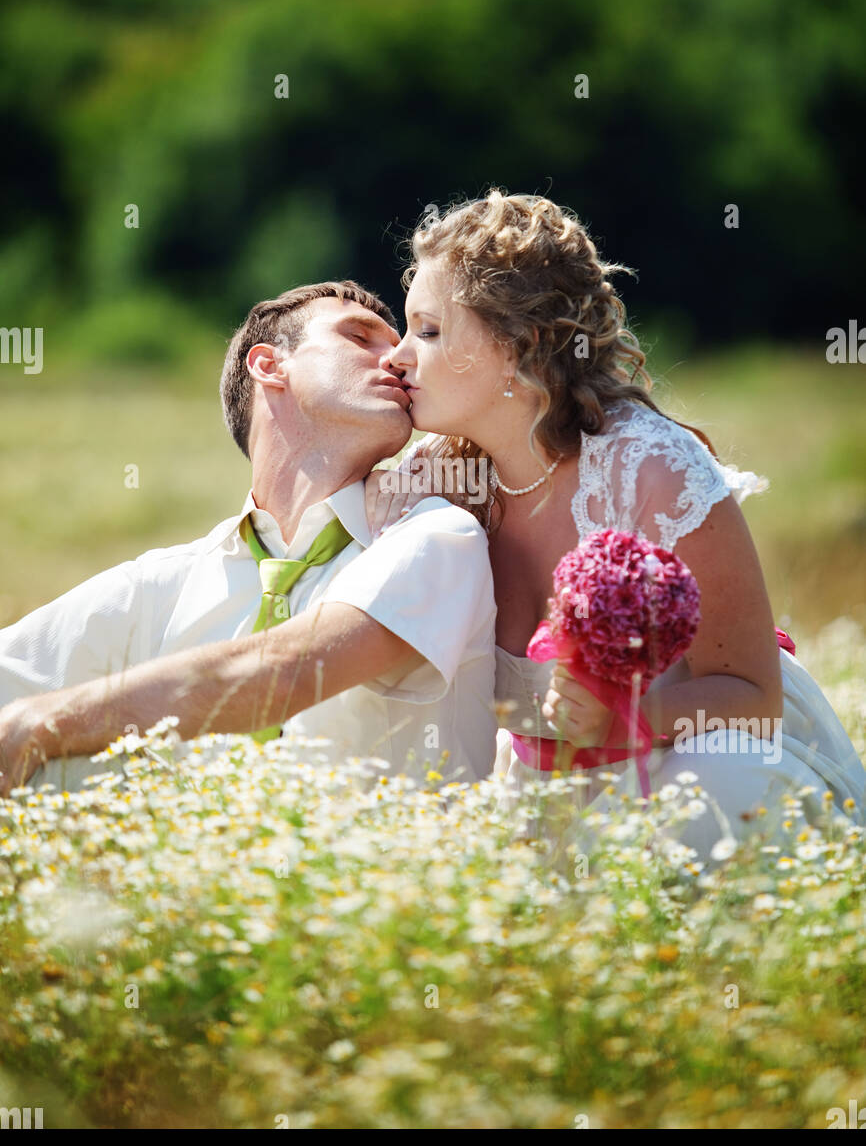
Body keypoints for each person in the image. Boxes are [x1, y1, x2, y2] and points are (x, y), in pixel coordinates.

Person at [368, 190, 865, 857]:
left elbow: (753, 695)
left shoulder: (651, 469)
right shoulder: (435, 482)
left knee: (707, 792)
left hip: (706, 764)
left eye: (428, 330)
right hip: (548, 792)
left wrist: (623, 717)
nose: (397, 357)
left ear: (521, 345)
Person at [0, 281, 496, 794]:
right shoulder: (161, 585)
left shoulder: (439, 537)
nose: (396, 358)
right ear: (269, 365)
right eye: (360, 337)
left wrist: (49, 721)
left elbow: (285, 673)